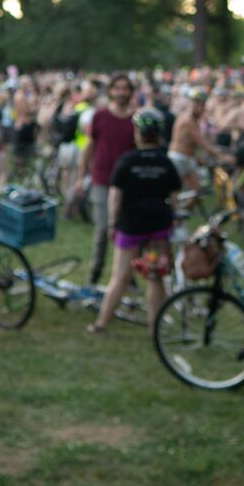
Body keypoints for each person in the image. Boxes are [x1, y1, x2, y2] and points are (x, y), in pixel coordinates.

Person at [87, 109, 182, 333]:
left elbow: (115, 196)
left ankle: (101, 323)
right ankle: (154, 328)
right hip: (158, 227)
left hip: (131, 227)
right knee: (155, 277)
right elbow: (174, 197)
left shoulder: (127, 161)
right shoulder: (166, 161)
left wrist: (112, 223)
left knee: (120, 277)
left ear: (138, 133)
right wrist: (176, 217)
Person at [78, 74, 138, 284]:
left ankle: (128, 277)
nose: (121, 92)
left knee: (128, 230)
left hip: (128, 183)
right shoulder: (100, 116)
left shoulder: (135, 119)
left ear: (131, 92)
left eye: (125, 88)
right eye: (117, 88)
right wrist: (81, 176)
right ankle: (95, 274)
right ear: (111, 91)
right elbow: (89, 146)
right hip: (103, 179)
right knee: (103, 229)